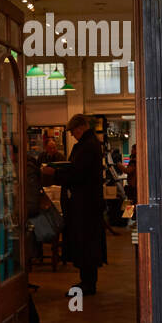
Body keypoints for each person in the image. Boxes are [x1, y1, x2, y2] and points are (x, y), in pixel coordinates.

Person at [60, 113, 104, 295]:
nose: (72, 135)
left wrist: (55, 174)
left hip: (85, 205)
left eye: (73, 131)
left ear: (80, 128)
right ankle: (87, 280)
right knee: (86, 243)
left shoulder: (87, 147)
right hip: (88, 204)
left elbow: (77, 174)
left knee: (86, 243)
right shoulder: (89, 144)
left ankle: (88, 282)